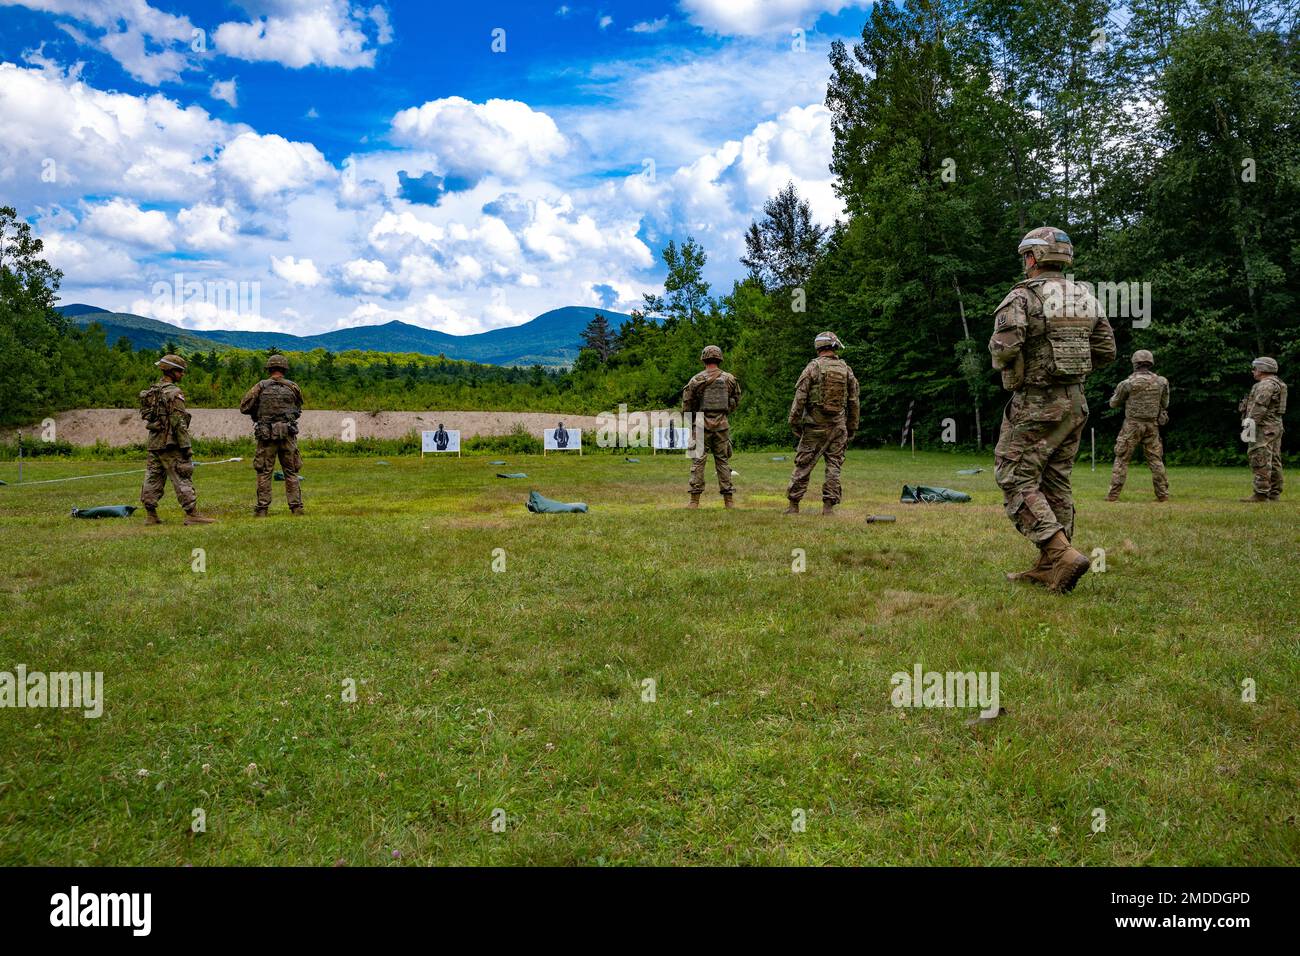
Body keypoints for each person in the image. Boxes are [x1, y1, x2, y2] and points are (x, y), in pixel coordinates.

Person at [989, 226, 1116, 593]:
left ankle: (1059, 553)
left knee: (1013, 476)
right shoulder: (1084, 296)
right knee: (1055, 480)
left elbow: (1003, 349)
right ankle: (1051, 567)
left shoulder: (1022, 297)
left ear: (1032, 257)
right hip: (1075, 402)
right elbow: (1106, 350)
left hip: (1037, 401)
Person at [783, 332, 859, 516]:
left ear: (818, 347)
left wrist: (794, 422)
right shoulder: (845, 369)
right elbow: (854, 401)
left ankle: (794, 506)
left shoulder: (812, 368)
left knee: (803, 465)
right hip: (838, 426)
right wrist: (851, 426)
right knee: (834, 466)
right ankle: (828, 508)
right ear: (834, 347)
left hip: (814, 426)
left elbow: (800, 398)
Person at [138, 354, 215, 525]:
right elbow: (178, 422)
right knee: (182, 475)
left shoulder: (151, 392)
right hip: (171, 444)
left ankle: (151, 515)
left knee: (153, 477)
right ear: (171, 371)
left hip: (154, 443)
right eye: (180, 371)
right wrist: (186, 446)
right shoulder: (174, 393)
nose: (182, 375)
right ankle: (192, 514)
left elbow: (146, 416)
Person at [240, 354, 304, 517]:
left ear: (269, 369)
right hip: (288, 435)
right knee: (291, 471)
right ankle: (296, 507)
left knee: (264, 471)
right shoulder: (293, 387)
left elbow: (244, 407)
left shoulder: (260, 386)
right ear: (284, 369)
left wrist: (259, 414)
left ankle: (262, 509)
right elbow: (298, 408)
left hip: (266, 436)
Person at [681, 345, 741, 509]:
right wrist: (725, 413)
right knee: (723, 461)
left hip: (700, 424)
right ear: (719, 358)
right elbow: (735, 400)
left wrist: (691, 422)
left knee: (698, 462)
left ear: (704, 359)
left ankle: (694, 501)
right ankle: (729, 502)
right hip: (722, 425)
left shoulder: (695, 380)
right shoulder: (729, 379)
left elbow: (687, 405)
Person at [1106, 349, 1170, 501]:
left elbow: (1113, 403)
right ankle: (1162, 495)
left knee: (1122, 459)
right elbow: (1165, 403)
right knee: (1156, 460)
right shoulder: (1162, 382)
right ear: (1150, 362)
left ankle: (1113, 496)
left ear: (1134, 363)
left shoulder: (1127, 383)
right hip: (1152, 426)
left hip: (1132, 426)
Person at [1239, 357, 1287, 502]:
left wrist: (1249, 426)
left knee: (1259, 457)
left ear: (1262, 369)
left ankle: (1261, 493)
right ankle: (1274, 492)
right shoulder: (1278, 383)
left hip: (1263, 427)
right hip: (1275, 426)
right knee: (1273, 459)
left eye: (1255, 368)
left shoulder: (1265, 385)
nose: (1253, 371)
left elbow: (1259, 408)